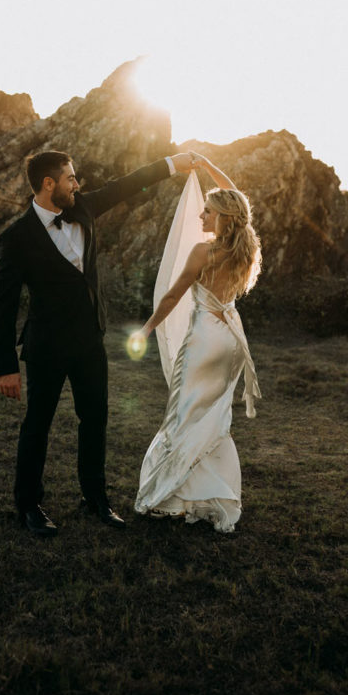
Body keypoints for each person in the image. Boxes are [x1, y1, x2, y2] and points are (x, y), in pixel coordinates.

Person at [0, 149, 195, 537]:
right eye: (70, 178)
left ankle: (95, 497)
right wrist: (6, 367)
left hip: (90, 341)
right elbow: (2, 307)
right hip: (46, 347)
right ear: (48, 184)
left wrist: (173, 162)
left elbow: (127, 184)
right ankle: (29, 505)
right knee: (38, 425)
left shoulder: (83, 206)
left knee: (95, 419)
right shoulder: (16, 238)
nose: (77, 184)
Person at [133, 154, 262, 534]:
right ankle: (208, 495)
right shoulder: (245, 249)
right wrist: (206, 163)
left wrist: (146, 329)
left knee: (182, 416)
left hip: (205, 339)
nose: (201, 217)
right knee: (210, 419)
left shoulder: (203, 252)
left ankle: (170, 497)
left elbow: (173, 296)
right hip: (232, 341)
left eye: (207, 212)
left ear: (223, 217)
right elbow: (238, 198)